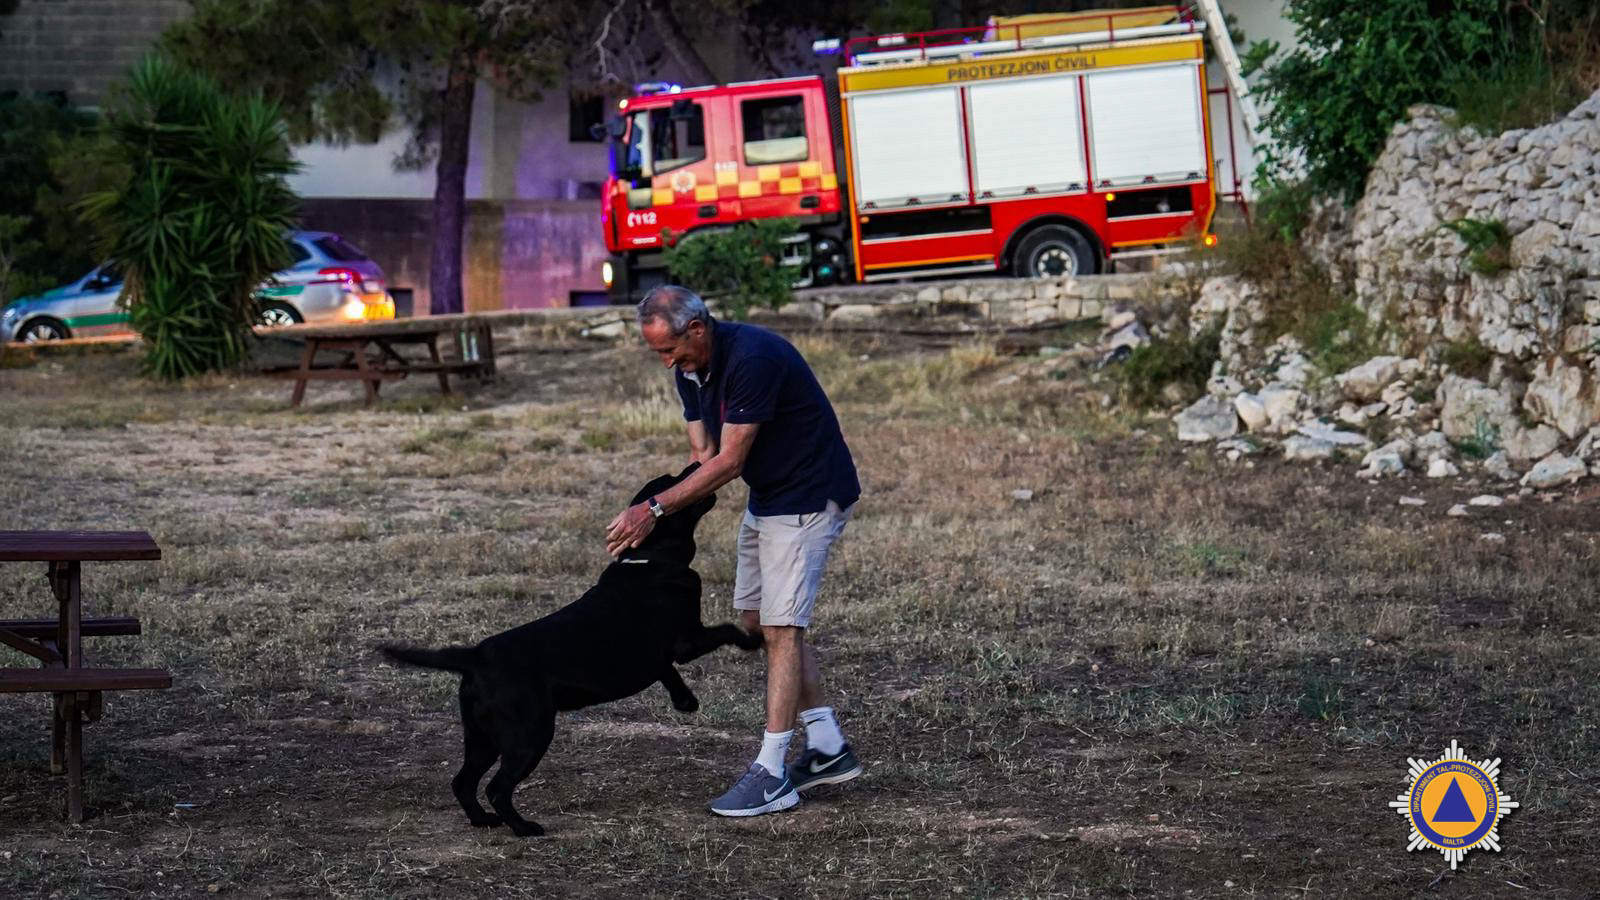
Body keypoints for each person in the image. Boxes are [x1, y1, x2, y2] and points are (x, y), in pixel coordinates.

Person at [605, 285, 862, 818]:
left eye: (668, 349)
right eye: (656, 351)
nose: (664, 362)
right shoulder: (690, 370)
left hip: (811, 494)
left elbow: (730, 460)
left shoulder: (754, 358)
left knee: (783, 629)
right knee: (753, 620)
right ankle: (828, 747)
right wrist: (662, 516)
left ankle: (772, 774)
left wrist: (652, 509)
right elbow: (701, 456)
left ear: (697, 328)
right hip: (771, 496)